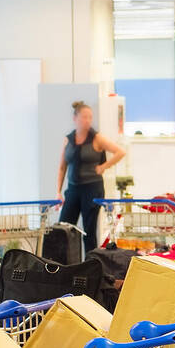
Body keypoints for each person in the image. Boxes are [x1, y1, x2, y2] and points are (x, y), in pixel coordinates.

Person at [57, 100, 126, 253]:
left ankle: (90, 264)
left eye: (90, 117)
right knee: (64, 228)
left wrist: (103, 166)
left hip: (92, 188)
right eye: (84, 117)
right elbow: (62, 167)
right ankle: (63, 264)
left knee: (89, 230)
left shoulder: (97, 138)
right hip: (73, 189)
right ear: (75, 119)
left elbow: (120, 152)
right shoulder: (68, 139)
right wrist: (58, 192)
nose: (87, 120)